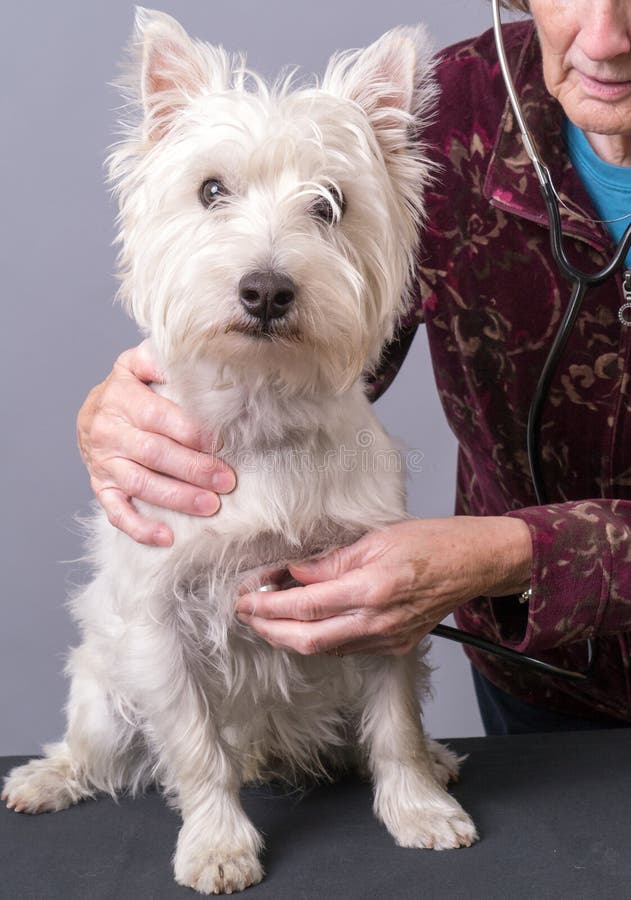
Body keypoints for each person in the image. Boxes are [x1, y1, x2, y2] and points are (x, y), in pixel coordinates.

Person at [77, 0, 631, 735]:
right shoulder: (465, 104)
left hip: (511, 583)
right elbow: (336, 342)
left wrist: (516, 552)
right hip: (538, 677)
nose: (602, 39)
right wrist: (132, 412)